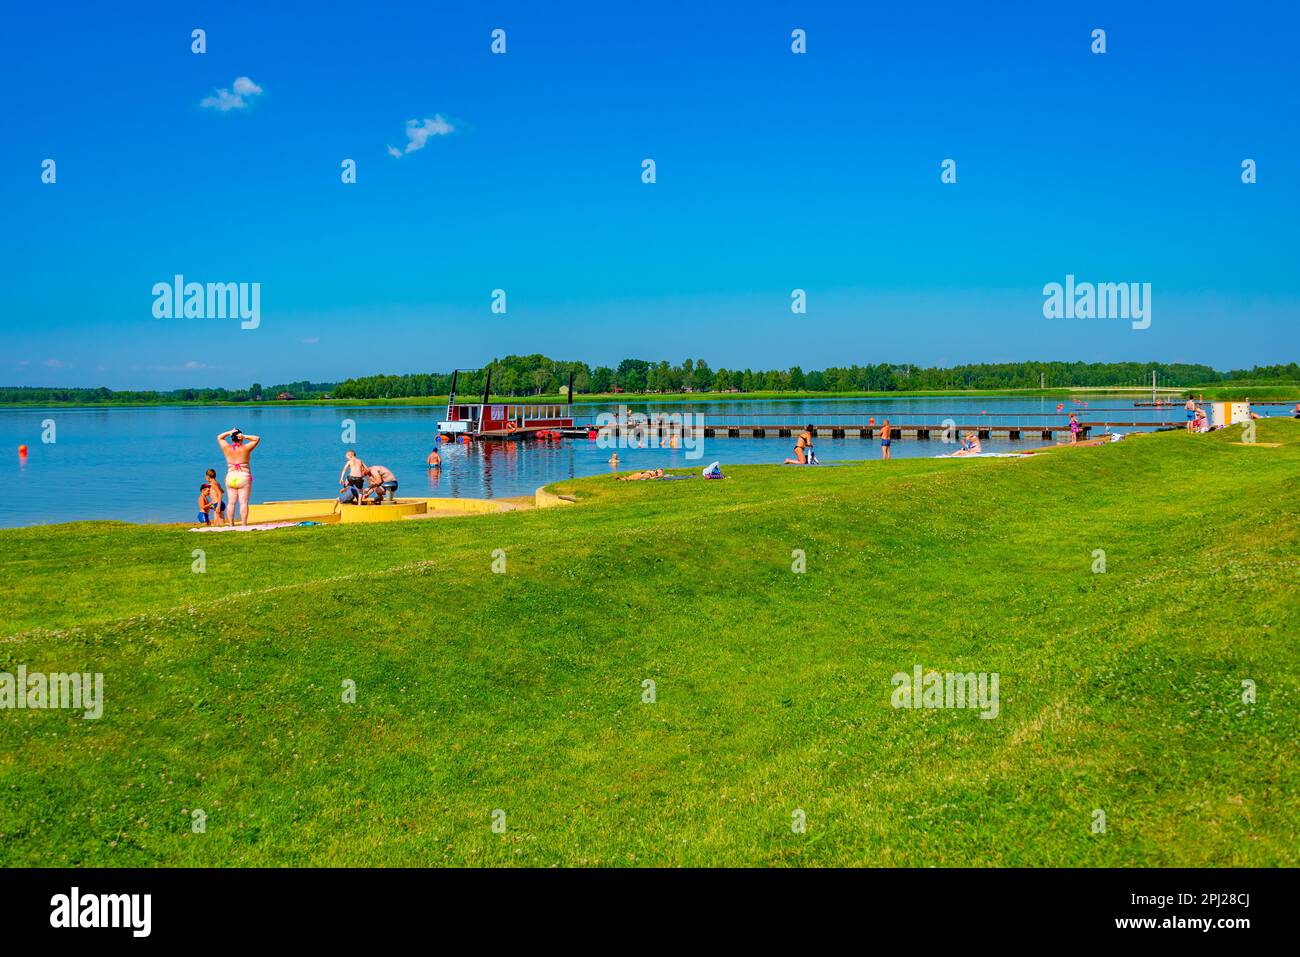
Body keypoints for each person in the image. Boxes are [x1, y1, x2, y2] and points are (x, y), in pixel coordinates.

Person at [217, 427, 260, 526]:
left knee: (231, 502)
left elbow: (219, 437)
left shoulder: (226, 448)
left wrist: (229, 432)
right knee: (243, 502)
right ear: (241, 438)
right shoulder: (246, 448)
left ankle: (231, 524)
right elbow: (257, 438)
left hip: (230, 476)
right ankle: (244, 524)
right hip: (243, 476)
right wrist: (244, 436)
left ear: (232, 439)